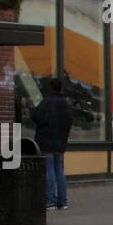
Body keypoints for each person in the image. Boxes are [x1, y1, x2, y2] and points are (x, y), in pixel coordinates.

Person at [32, 77, 73, 209]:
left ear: (50, 88)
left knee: (49, 170)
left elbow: (36, 117)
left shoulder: (46, 102)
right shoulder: (66, 104)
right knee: (59, 171)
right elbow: (69, 122)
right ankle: (63, 201)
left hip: (46, 141)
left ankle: (50, 200)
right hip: (60, 142)